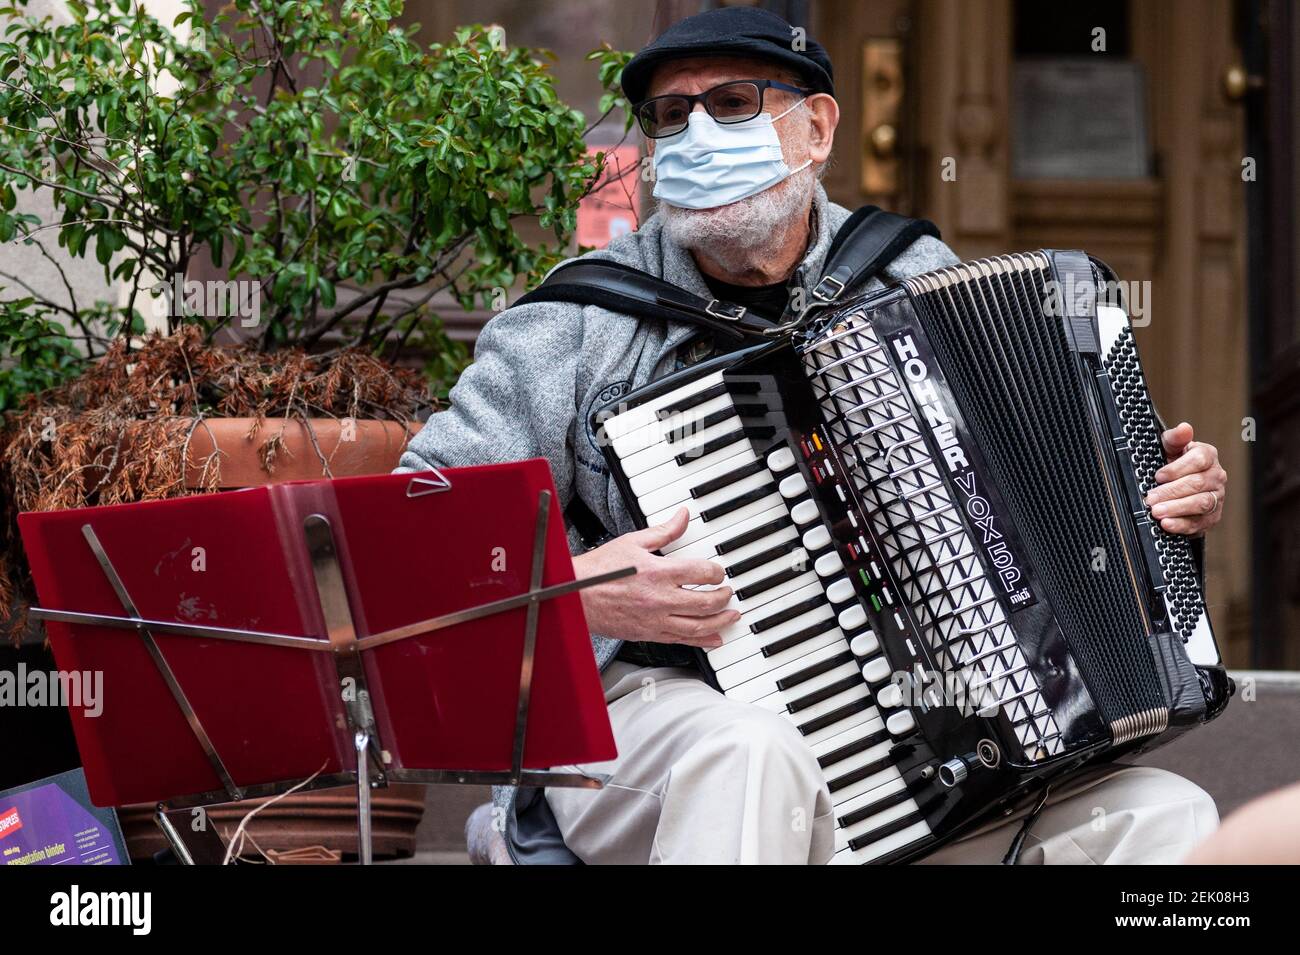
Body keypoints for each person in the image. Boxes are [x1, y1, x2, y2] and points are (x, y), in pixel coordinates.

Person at [400, 7, 1228, 864]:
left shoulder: (909, 274)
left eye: (731, 104)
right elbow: (411, 527)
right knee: (754, 753)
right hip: (650, 713)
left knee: (1167, 816)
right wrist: (568, 587)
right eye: (671, 117)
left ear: (818, 126)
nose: (694, 134)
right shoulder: (577, 320)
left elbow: (1034, 501)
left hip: (918, 754)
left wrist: (1161, 501)